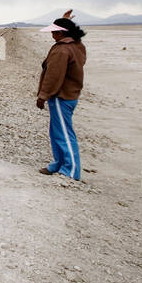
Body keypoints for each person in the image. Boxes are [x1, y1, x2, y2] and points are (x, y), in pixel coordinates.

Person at [36, 10, 87, 180]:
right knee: (57, 132)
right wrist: (65, 22)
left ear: (61, 33)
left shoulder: (62, 50)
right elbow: (73, 36)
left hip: (61, 96)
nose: (52, 34)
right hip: (70, 95)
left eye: (54, 31)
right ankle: (58, 164)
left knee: (64, 134)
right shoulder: (76, 45)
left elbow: (53, 76)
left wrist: (43, 95)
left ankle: (71, 171)